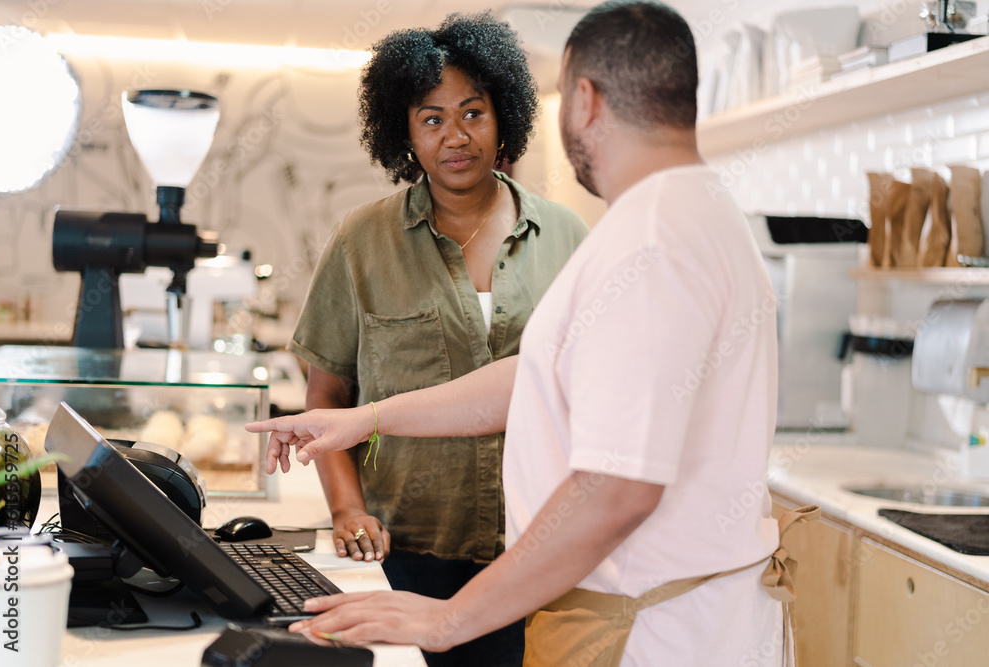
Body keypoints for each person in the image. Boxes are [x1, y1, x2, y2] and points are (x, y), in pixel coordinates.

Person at [250, 2, 811, 664]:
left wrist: (451, 619)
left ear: (584, 98)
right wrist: (369, 417)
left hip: (648, 635)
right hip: (658, 617)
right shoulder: (700, 211)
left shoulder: (649, 243)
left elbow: (618, 489)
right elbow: (540, 376)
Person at [283, 11, 588, 667]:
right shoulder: (361, 242)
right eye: (432, 118)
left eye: (473, 113)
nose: (456, 135)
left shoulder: (568, 239)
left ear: (503, 116)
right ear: (406, 133)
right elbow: (328, 394)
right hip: (401, 550)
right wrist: (346, 511)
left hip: (535, 552)